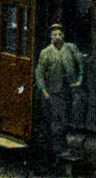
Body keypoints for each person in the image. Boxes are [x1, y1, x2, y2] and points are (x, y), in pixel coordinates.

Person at [34, 23, 84, 162]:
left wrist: (79, 80)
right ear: (51, 37)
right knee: (57, 120)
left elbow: (81, 64)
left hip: (69, 88)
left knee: (71, 115)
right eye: (55, 35)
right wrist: (43, 90)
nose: (57, 37)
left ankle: (69, 145)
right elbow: (39, 73)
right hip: (53, 91)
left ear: (63, 36)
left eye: (60, 34)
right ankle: (58, 150)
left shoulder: (71, 49)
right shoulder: (46, 53)